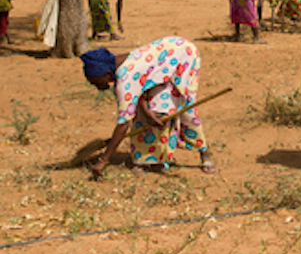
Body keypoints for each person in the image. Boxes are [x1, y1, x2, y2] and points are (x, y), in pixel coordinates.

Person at [80, 36, 217, 179]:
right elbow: (142, 88)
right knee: (145, 113)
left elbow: (123, 124)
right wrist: (146, 110)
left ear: (108, 74)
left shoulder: (125, 79)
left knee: (184, 109)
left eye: (97, 82)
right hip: (163, 65)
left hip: (184, 56)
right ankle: (147, 159)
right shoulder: (120, 66)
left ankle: (204, 153)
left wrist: (103, 160)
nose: (97, 87)